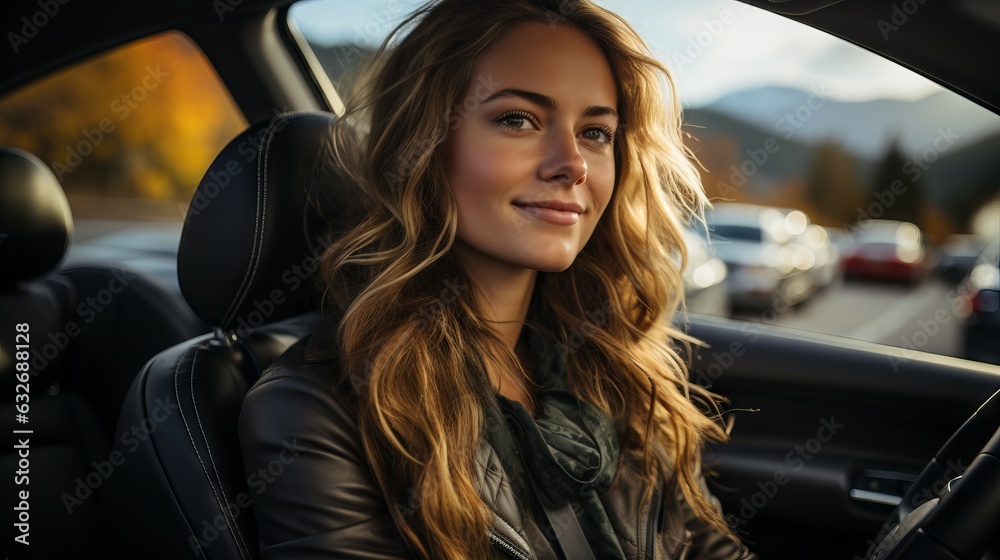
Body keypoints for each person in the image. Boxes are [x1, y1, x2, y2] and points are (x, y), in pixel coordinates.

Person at [239, 0, 757, 558]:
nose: (573, 163)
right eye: (518, 119)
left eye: (596, 133)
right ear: (424, 145)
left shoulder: (615, 367)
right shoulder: (316, 413)